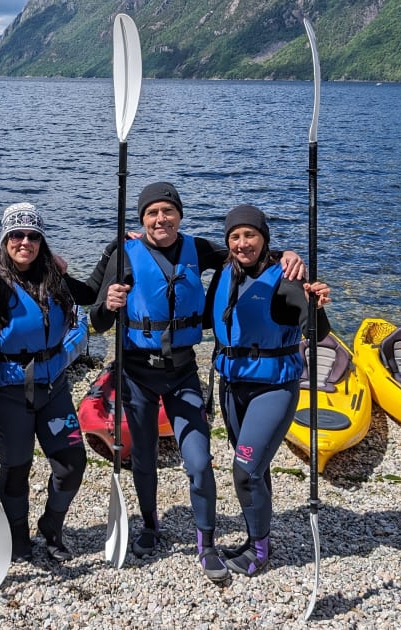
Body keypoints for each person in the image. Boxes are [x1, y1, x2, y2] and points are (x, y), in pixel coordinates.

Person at [88, 182, 305, 582]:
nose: (160, 219)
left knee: (200, 464)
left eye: (168, 211)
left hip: (183, 372)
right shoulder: (125, 252)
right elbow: (97, 320)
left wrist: (286, 254)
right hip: (136, 372)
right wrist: (108, 306)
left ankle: (205, 545)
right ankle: (151, 526)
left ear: (179, 216)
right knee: (144, 458)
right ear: (142, 219)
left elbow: (247, 254)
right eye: (152, 213)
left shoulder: (200, 249)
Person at [0, 202, 98, 563]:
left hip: (52, 386)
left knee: (72, 463)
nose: (25, 242)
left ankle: (51, 527)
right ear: (5, 239)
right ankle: (17, 538)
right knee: (16, 465)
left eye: (33, 236)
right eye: (16, 235)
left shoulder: (55, 276)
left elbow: (92, 295)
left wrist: (116, 248)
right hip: (4, 388)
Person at [206, 204, 331, 576]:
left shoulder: (286, 277)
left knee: (244, 471)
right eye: (235, 236)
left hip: (273, 388)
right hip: (232, 386)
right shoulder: (223, 273)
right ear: (228, 242)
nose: (243, 243)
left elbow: (316, 332)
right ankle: (255, 534)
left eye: (251, 235)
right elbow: (178, 247)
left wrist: (317, 304)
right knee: (255, 470)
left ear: (264, 239)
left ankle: (260, 549)